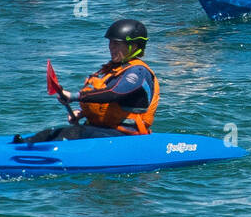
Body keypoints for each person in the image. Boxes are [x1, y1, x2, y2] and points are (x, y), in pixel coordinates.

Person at [19, 20, 158, 143]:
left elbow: (113, 93)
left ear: (133, 47)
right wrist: (83, 113)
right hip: (103, 131)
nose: (111, 47)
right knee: (51, 133)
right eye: (110, 42)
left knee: (70, 134)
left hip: (126, 137)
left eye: (116, 43)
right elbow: (106, 105)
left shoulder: (138, 72)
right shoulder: (111, 70)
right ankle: (22, 145)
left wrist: (74, 97)